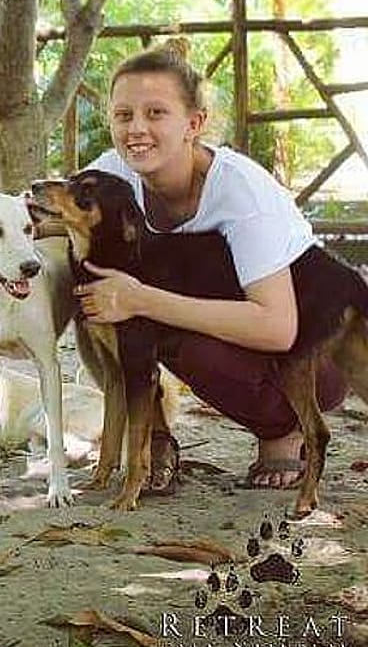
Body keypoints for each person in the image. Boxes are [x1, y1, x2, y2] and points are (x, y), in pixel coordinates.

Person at [74, 44, 348, 491]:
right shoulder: (109, 176)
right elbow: (42, 224)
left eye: (156, 113)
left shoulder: (242, 193)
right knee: (90, 288)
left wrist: (142, 299)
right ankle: (153, 437)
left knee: (169, 326)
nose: (136, 129)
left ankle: (281, 429)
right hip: (224, 315)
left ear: (194, 124)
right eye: (123, 115)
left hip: (312, 354)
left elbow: (277, 327)